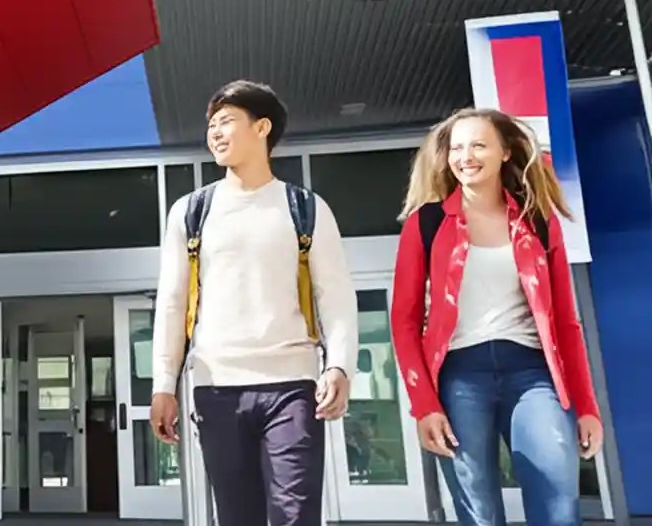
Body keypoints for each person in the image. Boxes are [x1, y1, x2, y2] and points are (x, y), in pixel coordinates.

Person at [148, 80, 359, 526]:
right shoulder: (191, 212)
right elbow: (171, 303)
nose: (215, 134)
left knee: (295, 514)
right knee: (236, 515)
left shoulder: (305, 207)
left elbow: (335, 295)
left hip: (292, 385)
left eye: (226, 122)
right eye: (211, 125)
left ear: (262, 127)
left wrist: (339, 364)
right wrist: (163, 384)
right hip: (215, 386)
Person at [390, 107, 602, 526]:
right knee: (479, 514)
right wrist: (424, 406)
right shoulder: (426, 224)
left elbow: (565, 321)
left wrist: (586, 406)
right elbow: (404, 320)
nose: (465, 156)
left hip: (532, 373)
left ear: (505, 152)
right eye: (457, 147)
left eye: (479, 145)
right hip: (459, 376)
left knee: (559, 504)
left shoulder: (538, 222)